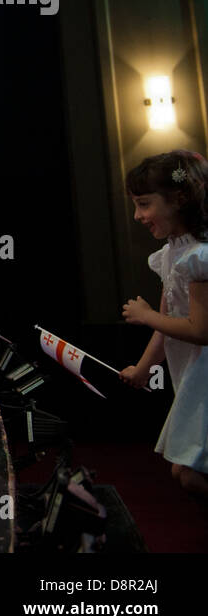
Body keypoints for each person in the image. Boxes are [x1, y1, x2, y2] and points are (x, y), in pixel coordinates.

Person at [119, 150, 208, 498]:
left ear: (179, 199)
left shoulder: (198, 258)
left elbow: (200, 330)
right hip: (191, 375)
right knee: (185, 470)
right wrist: (142, 370)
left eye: (145, 204)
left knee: (188, 471)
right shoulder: (170, 254)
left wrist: (146, 315)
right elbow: (166, 325)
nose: (138, 215)